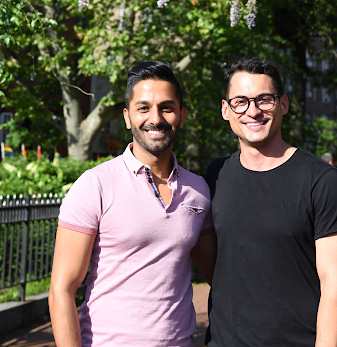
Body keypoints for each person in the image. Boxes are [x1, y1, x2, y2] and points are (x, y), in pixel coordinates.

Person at [49, 61, 217, 347]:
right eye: (143, 108)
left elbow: (219, 274)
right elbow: (61, 289)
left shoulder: (198, 189)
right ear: (127, 117)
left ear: (181, 115)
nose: (156, 118)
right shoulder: (96, 185)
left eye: (167, 107)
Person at [204, 57, 337, 346]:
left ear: (283, 104)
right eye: (240, 101)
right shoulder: (215, 175)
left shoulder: (321, 180)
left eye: (265, 99)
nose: (253, 111)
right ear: (226, 110)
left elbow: (336, 284)